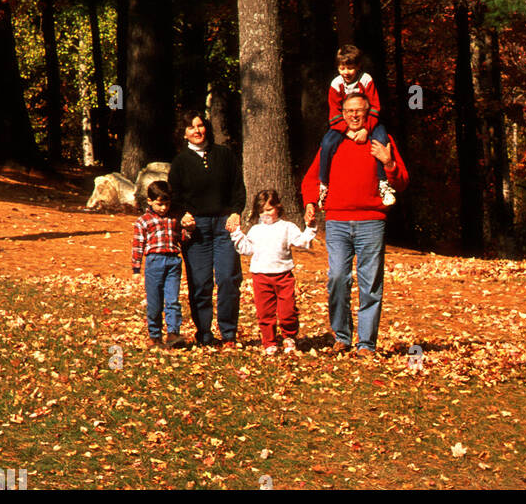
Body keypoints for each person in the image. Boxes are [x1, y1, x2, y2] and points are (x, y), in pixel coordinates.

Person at [301, 92, 408, 360]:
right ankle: (342, 336)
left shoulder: (381, 141)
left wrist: (389, 162)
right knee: (337, 278)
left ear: (368, 112)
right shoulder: (333, 142)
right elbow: (311, 178)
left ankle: (366, 345)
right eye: (349, 111)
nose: (354, 115)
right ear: (343, 114)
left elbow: (403, 181)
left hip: (371, 221)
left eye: (359, 110)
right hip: (336, 221)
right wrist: (310, 203)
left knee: (370, 284)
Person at [169, 113, 246, 348]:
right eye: (191, 127)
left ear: (207, 128)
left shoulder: (224, 155)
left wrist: (235, 211)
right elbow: (174, 197)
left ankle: (229, 334)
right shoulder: (180, 162)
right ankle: (204, 334)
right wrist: (183, 215)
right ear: (184, 133)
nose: (197, 130)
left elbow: (238, 188)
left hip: (224, 225)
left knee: (228, 279)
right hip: (197, 230)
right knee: (200, 282)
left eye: (200, 125)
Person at [227, 188, 317, 354]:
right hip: (261, 276)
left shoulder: (287, 227)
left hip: (283, 275)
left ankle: (289, 337)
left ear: (278, 207)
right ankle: (269, 342)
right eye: (261, 211)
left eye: (269, 209)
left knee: (287, 311)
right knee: (265, 312)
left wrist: (310, 228)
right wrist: (237, 234)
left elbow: (302, 241)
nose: (265, 214)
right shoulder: (255, 230)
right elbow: (246, 249)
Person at [320, 45, 394, 209]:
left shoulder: (366, 80)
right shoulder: (336, 84)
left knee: (381, 140)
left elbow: (375, 107)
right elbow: (334, 113)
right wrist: (348, 131)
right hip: (343, 125)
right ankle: (324, 184)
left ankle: (383, 183)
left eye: (350, 68)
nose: (346, 72)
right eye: (342, 68)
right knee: (327, 144)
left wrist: (366, 129)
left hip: (368, 122)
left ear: (358, 66)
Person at [130, 180, 190, 350]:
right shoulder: (143, 221)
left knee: (172, 299)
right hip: (154, 262)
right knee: (154, 301)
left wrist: (189, 230)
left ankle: (173, 333)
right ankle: (155, 335)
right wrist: (136, 268)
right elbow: (138, 245)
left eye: (166, 204)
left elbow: (182, 237)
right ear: (149, 201)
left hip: (173, 261)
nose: (163, 208)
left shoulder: (174, 218)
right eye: (160, 204)